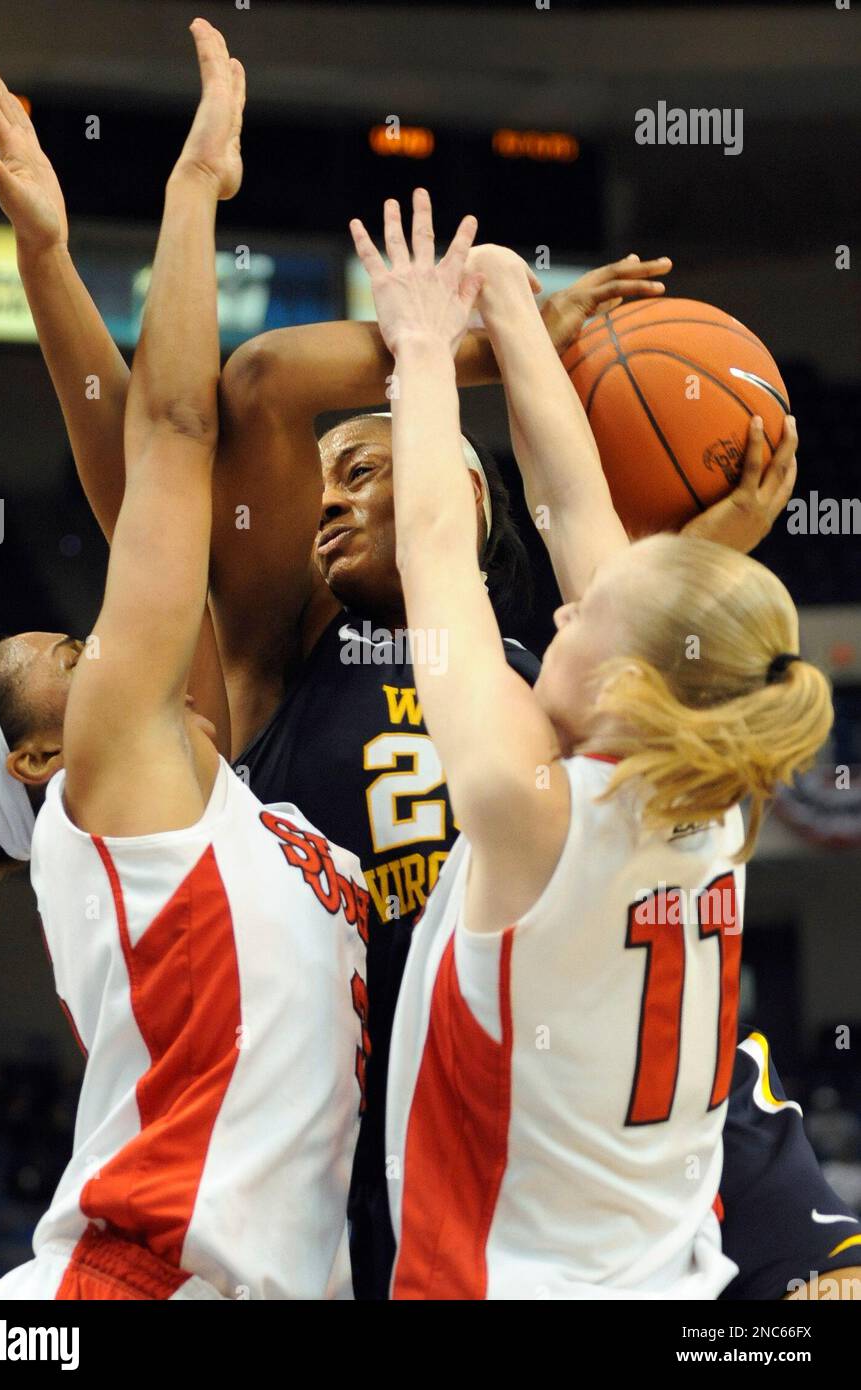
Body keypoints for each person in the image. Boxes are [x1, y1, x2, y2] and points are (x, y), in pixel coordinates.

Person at [0, 46, 861, 1302]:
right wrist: (482, 345)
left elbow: (621, 584)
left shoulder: (548, 682)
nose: (325, 497)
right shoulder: (272, 664)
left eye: (368, 469)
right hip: (416, 1151)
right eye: (320, 483)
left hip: (593, 1111)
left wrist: (689, 554)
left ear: (465, 491)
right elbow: (172, 464)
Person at [0, 20, 367, 1301]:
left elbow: (135, 495)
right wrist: (190, 193)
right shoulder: (117, 785)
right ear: (42, 755)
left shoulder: (190, 800)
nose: (100, 634)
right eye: (69, 649)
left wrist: (51, 259)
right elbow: (172, 439)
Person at [349, 189, 834, 1297]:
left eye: (575, 621)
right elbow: (576, 518)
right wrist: (517, 312)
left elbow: (435, 547)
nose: (558, 616)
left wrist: (422, 346)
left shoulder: (532, 812)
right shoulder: (715, 784)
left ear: (626, 680)